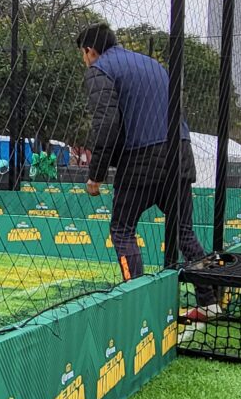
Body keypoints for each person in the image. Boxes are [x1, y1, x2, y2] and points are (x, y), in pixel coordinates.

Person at [77, 23, 219, 318]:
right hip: (180, 153)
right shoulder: (153, 65)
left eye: (84, 55)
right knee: (184, 232)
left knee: (122, 230)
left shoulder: (100, 69)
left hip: (142, 158)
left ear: (89, 50)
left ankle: (137, 304)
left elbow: (106, 123)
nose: (85, 60)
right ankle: (210, 302)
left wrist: (96, 173)